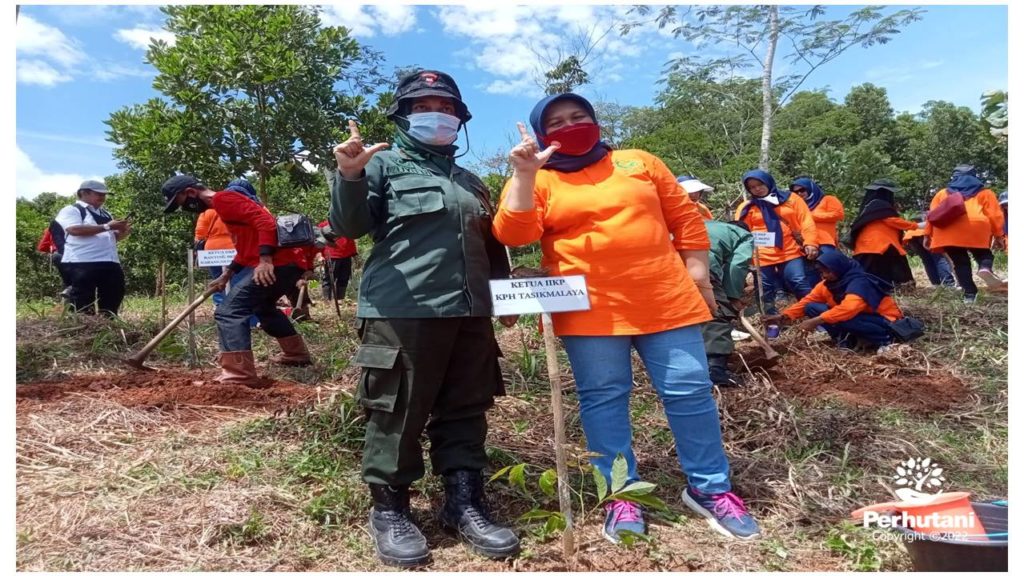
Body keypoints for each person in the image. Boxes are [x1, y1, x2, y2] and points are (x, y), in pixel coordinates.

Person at [494, 92, 760, 543]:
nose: (569, 124)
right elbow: (512, 233)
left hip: (665, 297)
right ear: (541, 135)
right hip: (587, 307)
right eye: (556, 122)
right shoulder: (539, 179)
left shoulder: (638, 162)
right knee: (603, 399)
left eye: (578, 116)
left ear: (596, 120)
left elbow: (685, 219)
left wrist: (699, 276)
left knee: (690, 393)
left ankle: (711, 490)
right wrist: (523, 174)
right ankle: (619, 495)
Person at [328, 69, 519, 567]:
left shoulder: (471, 181)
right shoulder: (381, 166)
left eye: (446, 105)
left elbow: (491, 243)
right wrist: (348, 176)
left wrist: (504, 300)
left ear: (460, 118)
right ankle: (390, 511)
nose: (436, 113)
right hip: (402, 311)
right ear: (402, 115)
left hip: (470, 311)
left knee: (466, 408)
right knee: (398, 412)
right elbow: (350, 227)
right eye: (421, 105)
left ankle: (465, 503)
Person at [161, 174, 313, 385]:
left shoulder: (223, 199)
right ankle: (296, 354)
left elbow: (265, 221)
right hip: (288, 266)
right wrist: (228, 273)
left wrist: (266, 259)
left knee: (229, 312)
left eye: (180, 203)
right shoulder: (223, 207)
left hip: (277, 264)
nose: (184, 208)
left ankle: (238, 374)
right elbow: (245, 249)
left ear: (191, 193)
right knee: (263, 308)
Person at [765, 251, 905, 352]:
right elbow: (807, 301)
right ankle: (845, 338)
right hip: (858, 317)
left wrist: (816, 321)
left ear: (839, 268)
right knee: (811, 307)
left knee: (842, 318)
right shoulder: (828, 284)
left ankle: (884, 340)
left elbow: (848, 310)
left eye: (828, 271)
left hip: (886, 321)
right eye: (822, 272)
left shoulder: (859, 282)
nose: (825, 275)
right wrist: (784, 316)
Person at [734, 169, 818, 337]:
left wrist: (811, 243)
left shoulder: (791, 199)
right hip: (761, 254)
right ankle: (771, 323)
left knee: (798, 281)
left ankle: (815, 317)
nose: (757, 189)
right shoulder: (746, 207)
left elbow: (806, 222)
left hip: (789, 250)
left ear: (768, 182)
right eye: (752, 187)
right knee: (765, 289)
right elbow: (739, 231)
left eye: (760, 184)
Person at [925, 165, 1006, 302]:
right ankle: (985, 268)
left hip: (947, 231)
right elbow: (995, 215)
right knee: (983, 254)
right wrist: (999, 235)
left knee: (960, 263)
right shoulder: (985, 193)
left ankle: (969, 294)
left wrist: (928, 234)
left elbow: (932, 216)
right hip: (976, 227)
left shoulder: (942, 193)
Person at [56, 180, 130, 316]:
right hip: (82, 262)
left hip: (110, 261)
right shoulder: (72, 210)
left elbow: (113, 237)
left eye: (104, 195)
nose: (102, 198)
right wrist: (108, 226)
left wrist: (123, 232)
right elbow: (74, 229)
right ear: (84, 193)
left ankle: (107, 327)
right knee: (82, 300)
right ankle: (82, 331)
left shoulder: (106, 214)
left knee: (113, 295)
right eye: (99, 194)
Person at [702, 220, 754, 387]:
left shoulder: (707, 224)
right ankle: (716, 370)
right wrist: (732, 296)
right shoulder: (743, 236)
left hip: (665, 268)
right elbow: (736, 267)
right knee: (716, 315)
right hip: (699, 268)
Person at [846, 179, 917, 288]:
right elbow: (891, 220)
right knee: (896, 269)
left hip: (867, 246)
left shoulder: (868, 205)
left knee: (866, 274)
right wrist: (916, 225)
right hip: (881, 244)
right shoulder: (880, 204)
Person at [789, 177, 843, 286]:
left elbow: (838, 214)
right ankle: (817, 295)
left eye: (802, 190)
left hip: (825, 242)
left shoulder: (828, 199)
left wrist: (809, 216)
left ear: (810, 188)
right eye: (795, 192)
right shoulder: (795, 206)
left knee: (831, 268)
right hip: (803, 243)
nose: (799, 193)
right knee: (811, 273)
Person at [193, 200, 235, 307]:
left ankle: (220, 308)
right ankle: (237, 310)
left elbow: (199, 235)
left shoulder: (207, 211)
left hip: (212, 251)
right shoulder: (234, 208)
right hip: (233, 249)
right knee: (237, 281)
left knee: (217, 281)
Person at [903, 213, 955, 287]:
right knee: (939, 259)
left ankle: (936, 283)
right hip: (924, 233)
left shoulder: (918, 214)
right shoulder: (932, 211)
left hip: (911, 236)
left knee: (927, 260)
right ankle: (949, 283)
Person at [317, 220, 358, 302]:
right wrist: (320, 255)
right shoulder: (323, 225)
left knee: (344, 278)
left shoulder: (346, 223)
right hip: (331, 255)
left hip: (346, 255)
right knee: (328, 279)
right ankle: (327, 300)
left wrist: (353, 253)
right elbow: (319, 241)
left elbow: (350, 240)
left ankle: (340, 299)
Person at [37, 225, 72, 295]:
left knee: (67, 281)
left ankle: (68, 300)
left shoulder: (53, 228)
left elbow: (42, 247)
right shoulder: (83, 227)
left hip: (57, 256)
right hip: (74, 257)